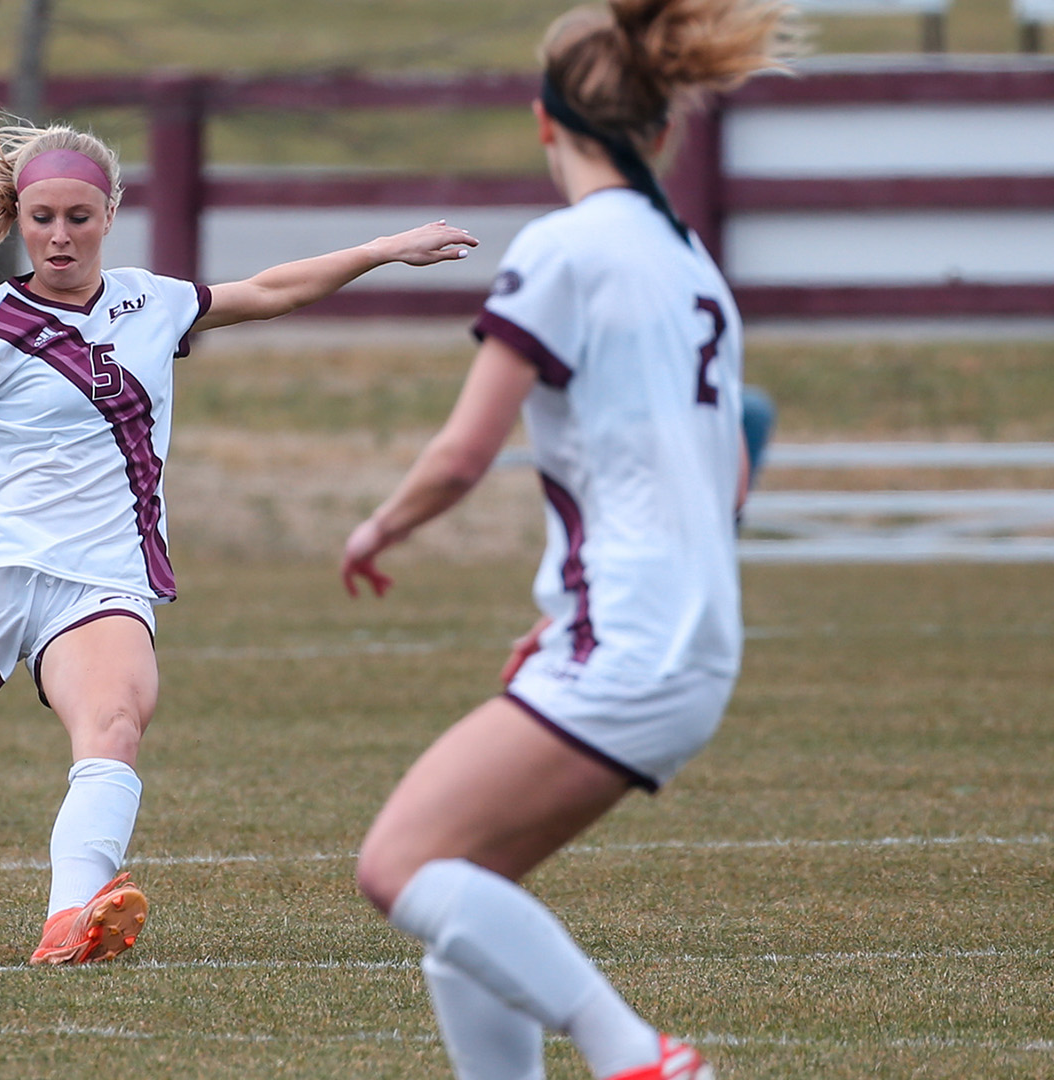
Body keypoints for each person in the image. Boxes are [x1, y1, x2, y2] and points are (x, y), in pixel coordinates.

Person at [0, 121, 476, 964]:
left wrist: (386, 248)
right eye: (43, 217)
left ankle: (71, 918)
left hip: (102, 580)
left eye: (80, 217)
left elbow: (272, 289)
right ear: (18, 217)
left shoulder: (150, 301)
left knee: (115, 722)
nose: (60, 236)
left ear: (112, 212)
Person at [338, 1, 791, 1077]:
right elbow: (729, 470)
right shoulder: (692, 266)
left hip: (630, 639)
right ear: (664, 129)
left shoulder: (566, 250)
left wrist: (378, 526)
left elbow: (461, 455)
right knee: (467, 892)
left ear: (546, 124)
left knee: (398, 865)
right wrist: (564, 619)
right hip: (686, 639)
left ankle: (632, 1054)